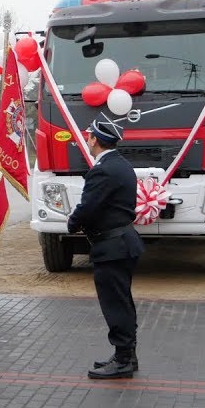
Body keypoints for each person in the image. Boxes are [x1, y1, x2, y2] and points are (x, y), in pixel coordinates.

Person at [66, 114, 144, 380]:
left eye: (89, 136)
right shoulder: (120, 164)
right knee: (122, 301)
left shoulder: (103, 169)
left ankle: (123, 360)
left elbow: (89, 206)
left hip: (112, 247)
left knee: (115, 304)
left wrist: (72, 223)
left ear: (94, 140)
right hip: (121, 244)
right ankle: (127, 355)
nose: (87, 140)